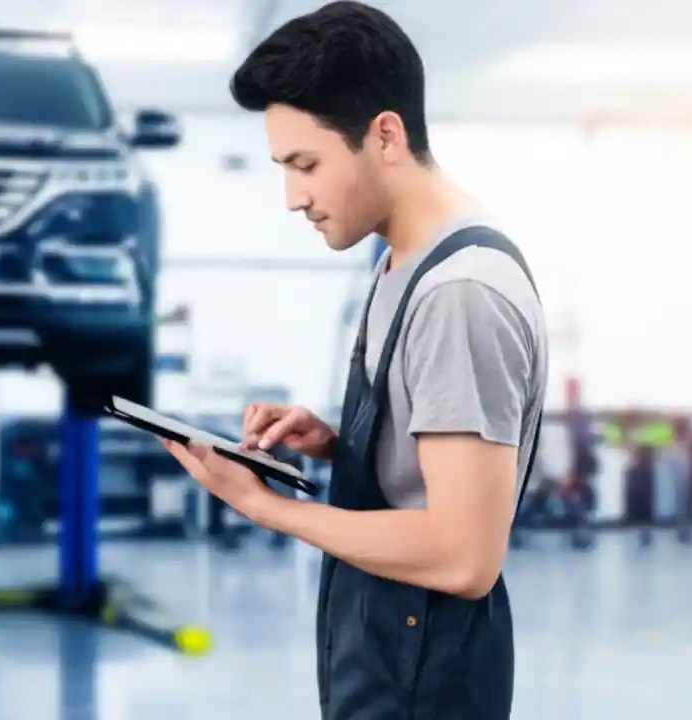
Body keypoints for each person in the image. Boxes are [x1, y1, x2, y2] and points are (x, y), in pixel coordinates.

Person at [157, 3, 548, 718]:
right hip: (387, 654)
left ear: (386, 135)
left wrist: (265, 508)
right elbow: (427, 479)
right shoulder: (403, 261)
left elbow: (464, 555)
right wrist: (342, 447)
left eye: (306, 165)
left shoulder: (459, 291)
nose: (292, 197)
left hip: (424, 681)